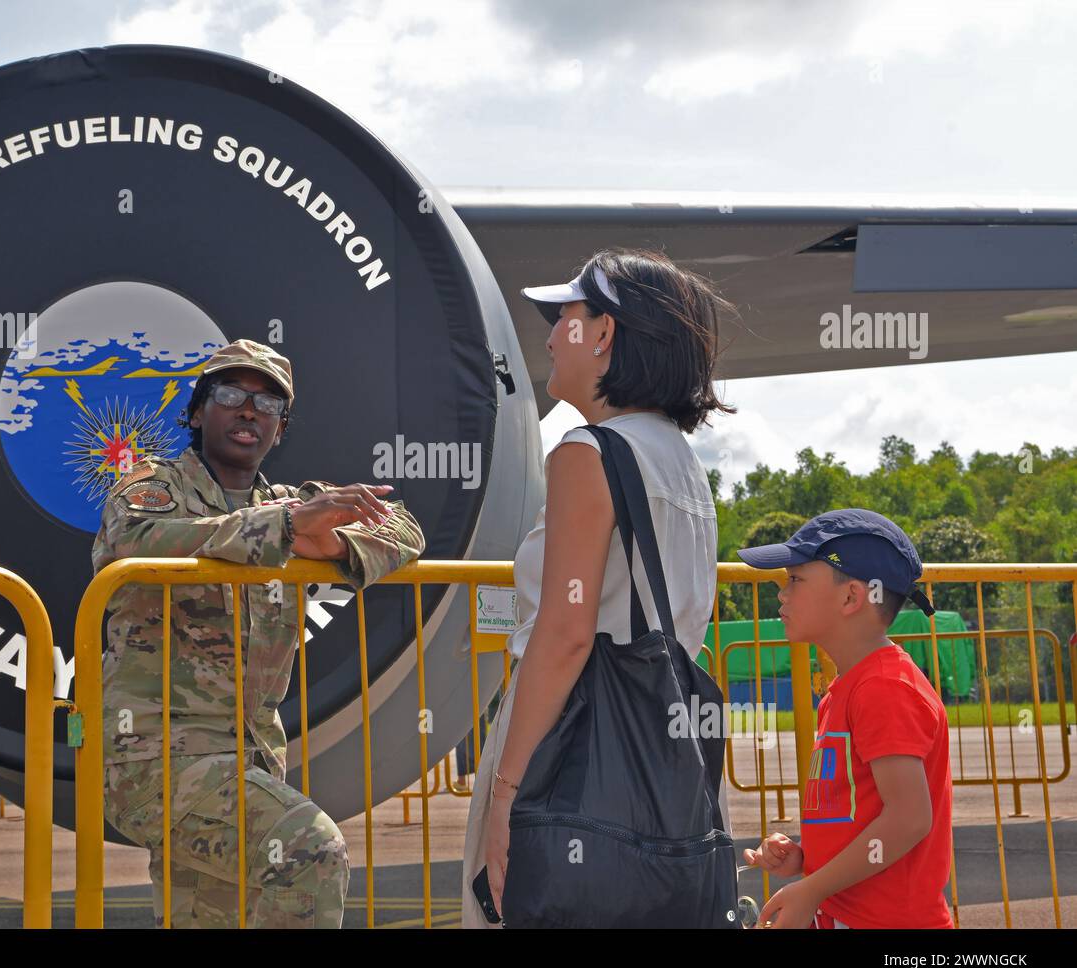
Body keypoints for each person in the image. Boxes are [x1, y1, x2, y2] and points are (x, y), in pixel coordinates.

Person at [94, 339, 426, 928]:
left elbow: (403, 531)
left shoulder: (291, 504)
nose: (250, 411)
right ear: (198, 413)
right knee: (310, 850)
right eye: (231, 395)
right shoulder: (153, 486)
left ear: (280, 428)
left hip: (249, 763)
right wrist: (285, 529)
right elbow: (135, 540)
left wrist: (315, 536)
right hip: (155, 761)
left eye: (268, 404)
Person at [462, 248, 736, 927]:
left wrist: (505, 796)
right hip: (664, 762)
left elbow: (565, 634)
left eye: (567, 316)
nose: (552, 334)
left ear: (604, 334)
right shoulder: (681, 460)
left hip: (571, 754)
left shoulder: (590, 453)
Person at [737, 508, 953, 929]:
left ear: (852, 597)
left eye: (795, 579)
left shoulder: (885, 688)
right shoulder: (846, 689)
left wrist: (812, 888)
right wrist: (805, 857)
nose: (782, 594)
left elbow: (908, 818)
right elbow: (864, 816)